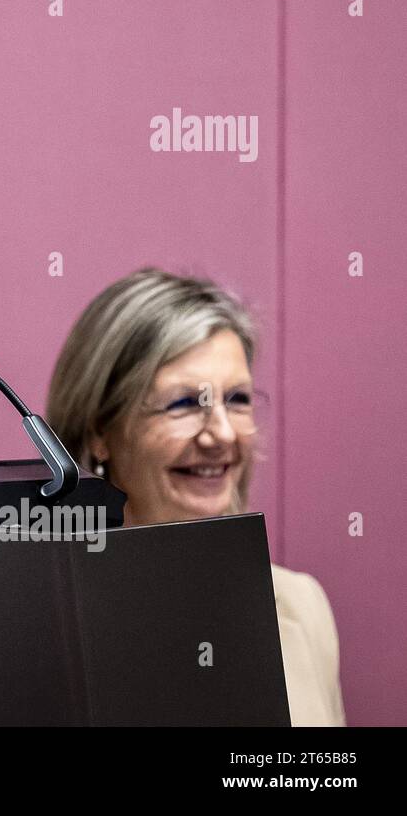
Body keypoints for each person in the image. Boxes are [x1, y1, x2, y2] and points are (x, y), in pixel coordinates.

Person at [45, 269, 346, 726]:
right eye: (185, 403)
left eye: (238, 399)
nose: (222, 434)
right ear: (99, 431)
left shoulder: (299, 605)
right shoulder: (26, 622)